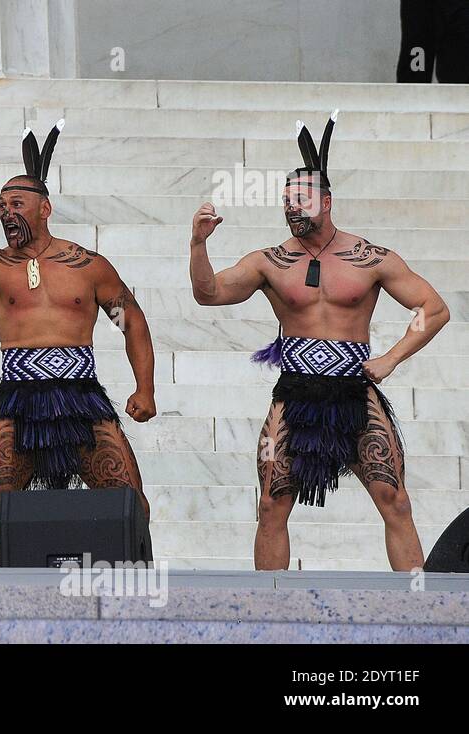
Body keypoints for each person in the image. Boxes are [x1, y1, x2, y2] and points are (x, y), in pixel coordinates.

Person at [186, 112, 449, 571]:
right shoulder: (269, 261)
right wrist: (198, 245)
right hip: (295, 395)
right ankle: (271, 616)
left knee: (395, 500)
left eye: (300, 200)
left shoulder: (369, 257)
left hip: (354, 393)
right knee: (271, 505)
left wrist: (390, 358)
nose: (291, 209)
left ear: (326, 202)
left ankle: (418, 608)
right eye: (286, 201)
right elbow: (208, 294)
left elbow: (434, 308)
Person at [0, 122, 157, 568]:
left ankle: (137, 606)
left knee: (131, 502)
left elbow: (132, 323)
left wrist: (146, 388)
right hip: (18, 399)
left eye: (17, 203)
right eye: (1, 205)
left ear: (45, 208)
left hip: (81, 398)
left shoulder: (88, 265)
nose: (6, 212)